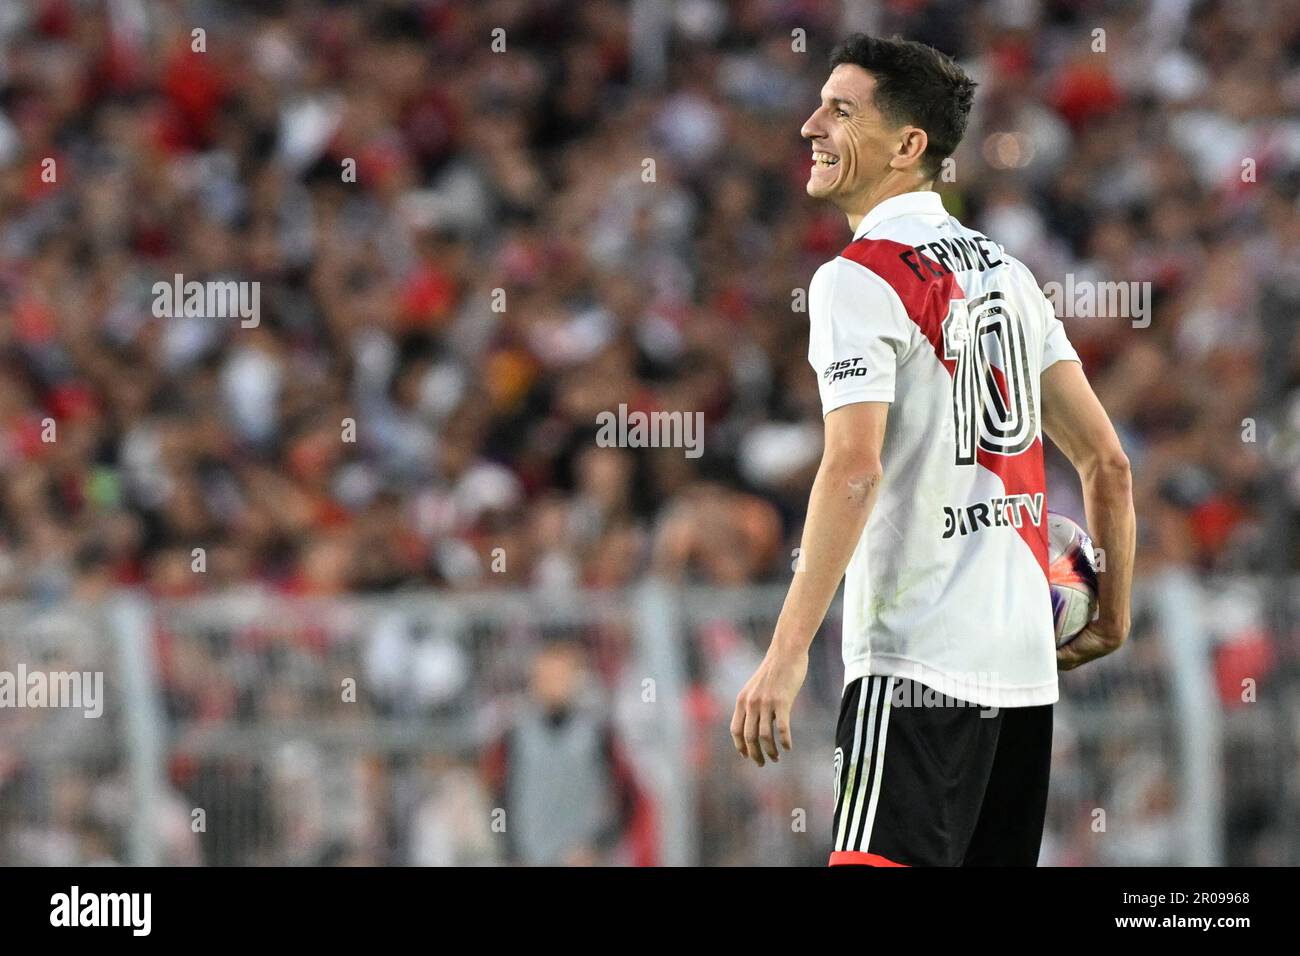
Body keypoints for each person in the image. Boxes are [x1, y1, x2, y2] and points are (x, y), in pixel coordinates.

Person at [729, 34, 1136, 867]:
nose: (810, 125)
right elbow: (1108, 464)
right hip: (1022, 673)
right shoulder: (1011, 274)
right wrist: (1115, 613)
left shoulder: (858, 276)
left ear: (909, 146)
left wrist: (786, 651)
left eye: (840, 111)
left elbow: (853, 467)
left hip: (917, 662)